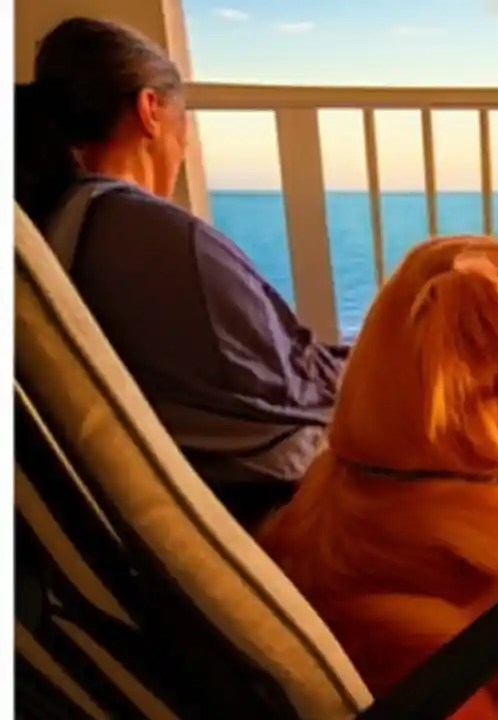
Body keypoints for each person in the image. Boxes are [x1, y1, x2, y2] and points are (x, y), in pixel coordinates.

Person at [15, 17, 347, 528]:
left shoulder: (56, 220)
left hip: (181, 485)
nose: (184, 146)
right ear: (150, 110)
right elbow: (293, 392)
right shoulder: (156, 240)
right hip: (271, 500)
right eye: (183, 122)